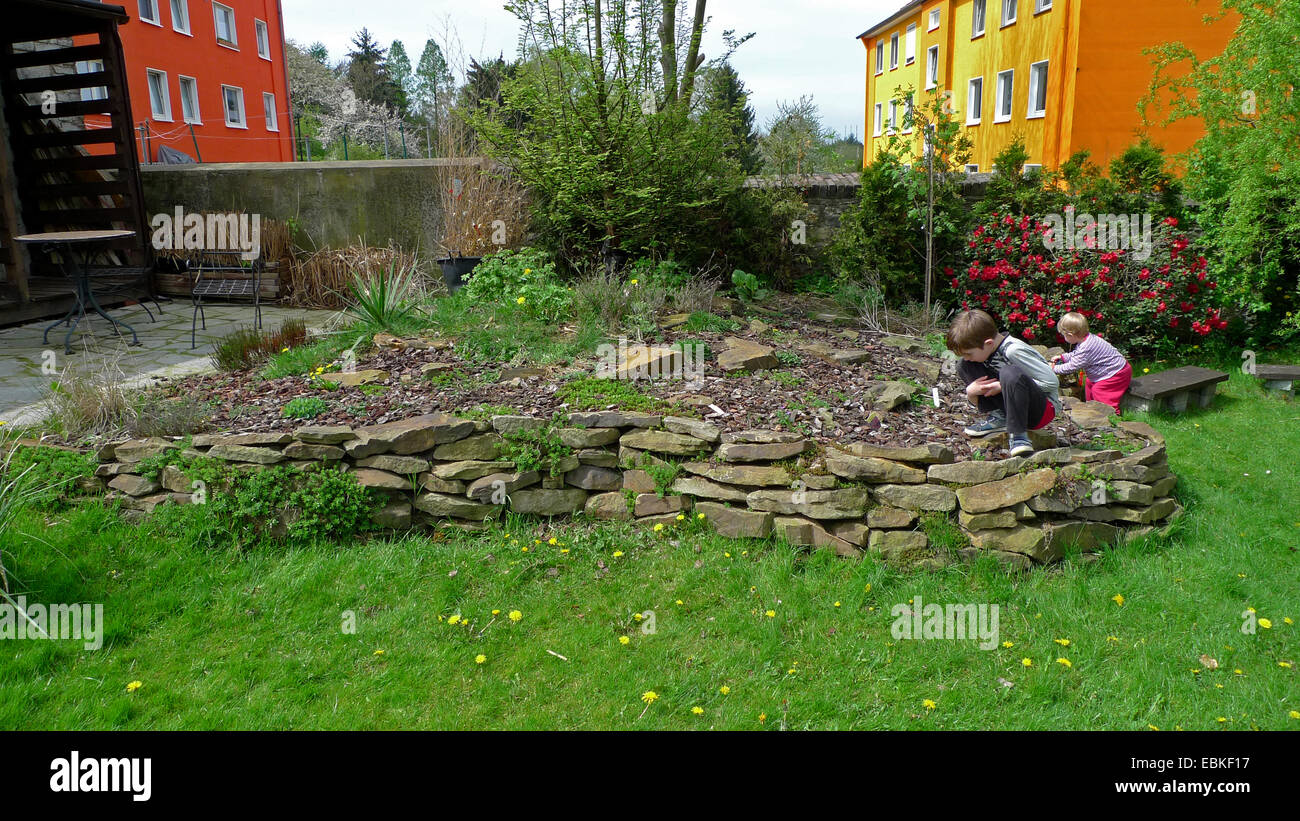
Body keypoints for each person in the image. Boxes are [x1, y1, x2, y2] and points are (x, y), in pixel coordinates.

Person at [945, 309, 1061, 457]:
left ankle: (1019, 436)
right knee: (964, 365)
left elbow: (1051, 382)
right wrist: (971, 392)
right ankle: (999, 418)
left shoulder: (1014, 350)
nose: (967, 357)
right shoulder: (987, 352)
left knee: (1009, 373)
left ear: (988, 343)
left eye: (969, 353)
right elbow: (973, 369)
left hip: (1042, 410)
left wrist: (1002, 385)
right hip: (1015, 404)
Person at [1049, 312, 1132, 413]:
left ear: (1070, 335)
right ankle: (1092, 408)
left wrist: (1053, 369)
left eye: (1064, 335)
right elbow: (1077, 354)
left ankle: (1111, 414)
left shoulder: (1087, 347)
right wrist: (1063, 357)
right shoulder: (1087, 339)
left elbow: (1072, 366)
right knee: (1089, 383)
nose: (1064, 338)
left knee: (1099, 390)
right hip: (1109, 371)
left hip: (1116, 373)